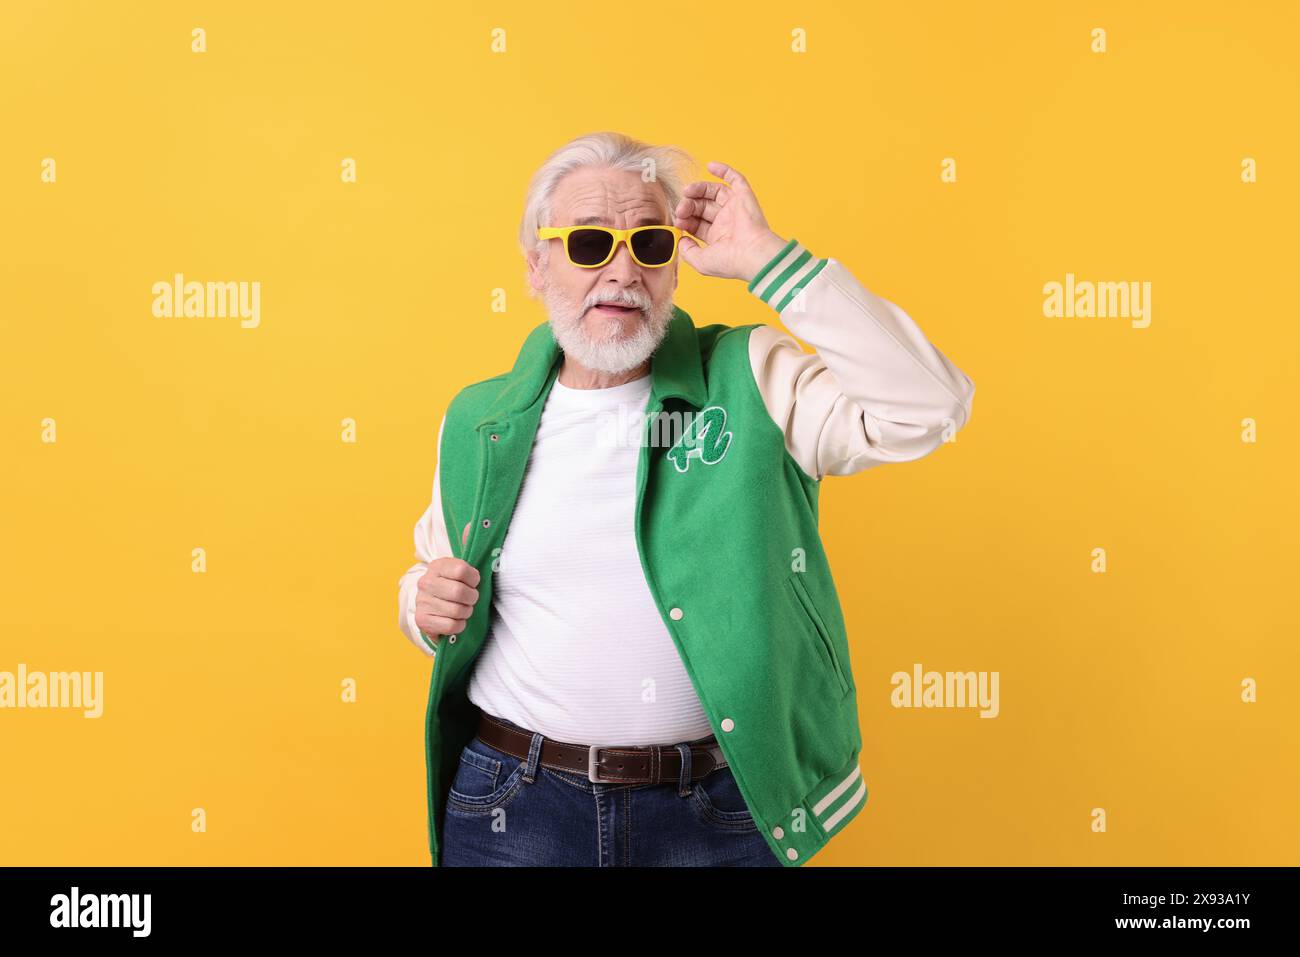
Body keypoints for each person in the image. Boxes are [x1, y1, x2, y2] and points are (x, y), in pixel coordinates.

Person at [397, 131, 976, 866]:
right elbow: (433, 578)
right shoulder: (480, 418)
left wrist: (766, 258)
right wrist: (419, 604)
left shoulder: (752, 377)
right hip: (515, 806)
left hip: (713, 816)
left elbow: (930, 406)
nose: (623, 270)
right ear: (536, 267)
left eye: (650, 244)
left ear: (674, 266)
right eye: (588, 244)